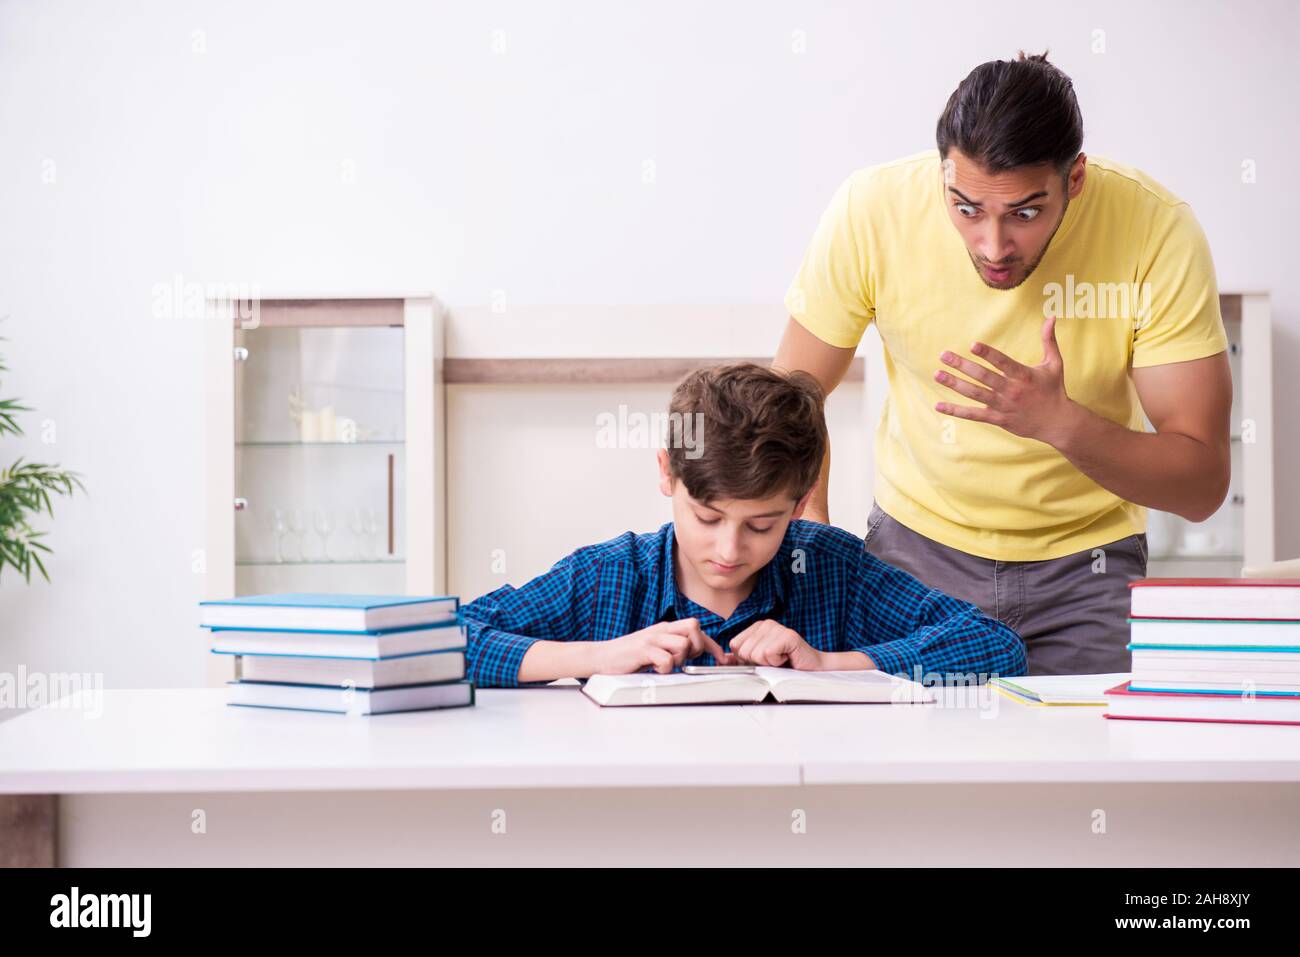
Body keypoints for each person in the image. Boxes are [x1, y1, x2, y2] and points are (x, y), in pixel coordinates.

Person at [774, 51, 1231, 674]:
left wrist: (1058, 423)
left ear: (1075, 180)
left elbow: (1202, 484)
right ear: (942, 175)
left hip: (1087, 567)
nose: (993, 246)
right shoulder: (871, 209)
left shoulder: (1156, 230)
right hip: (914, 555)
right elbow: (792, 401)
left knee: (1084, 767)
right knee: (913, 767)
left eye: (1024, 213)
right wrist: (815, 535)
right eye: (966, 209)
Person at [463, 362, 1025, 687]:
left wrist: (831, 664)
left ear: (802, 500)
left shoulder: (829, 566)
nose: (729, 550)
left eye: (761, 525)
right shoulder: (611, 576)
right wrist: (598, 655)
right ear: (667, 472)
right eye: (707, 518)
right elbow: (447, 641)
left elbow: (995, 646)